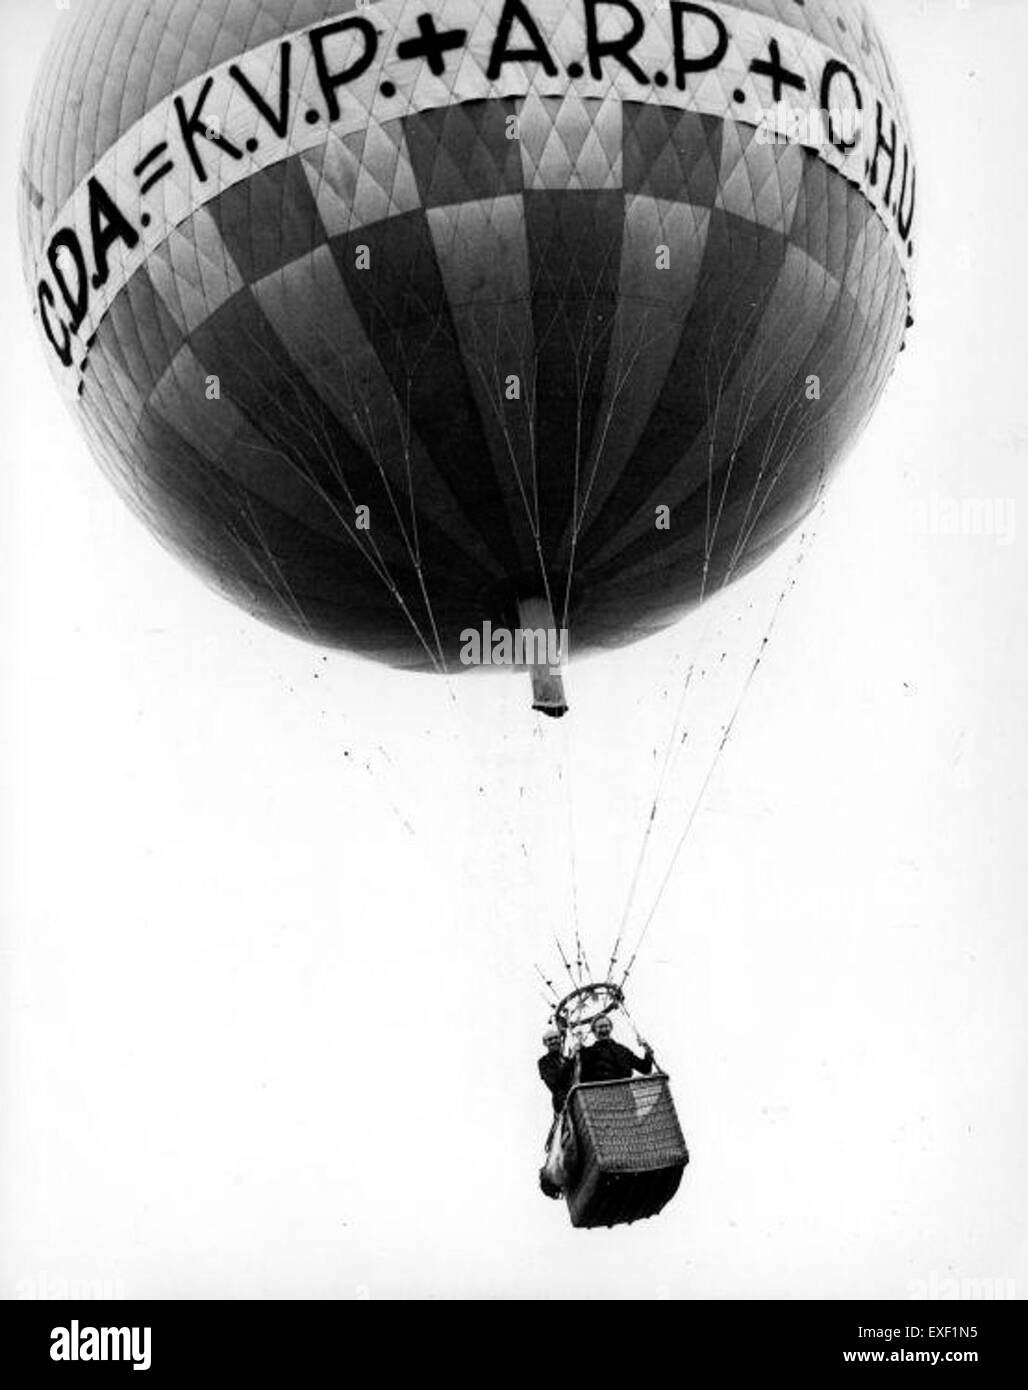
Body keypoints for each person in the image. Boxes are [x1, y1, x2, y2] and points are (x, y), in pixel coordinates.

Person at [577, 1013, 654, 1083]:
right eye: (600, 1027)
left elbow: (645, 1069)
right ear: (594, 1031)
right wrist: (574, 1054)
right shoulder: (587, 1053)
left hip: (624, 1093)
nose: (604, 1029)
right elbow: (576, 1077)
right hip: (598, 1094)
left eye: (606, 1026)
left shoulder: (623, 1051)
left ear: (611, 1028)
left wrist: (648, 1051)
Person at [537, 1025, 574, 1113]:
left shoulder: (567, 1060)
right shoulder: (544, 1062)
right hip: (563, 1103)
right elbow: (555, 1084)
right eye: (550, 1040)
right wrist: (570, 1061)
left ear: (560, 1040)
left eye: (556, 1038)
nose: (554, 1041)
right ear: (545, 1043)